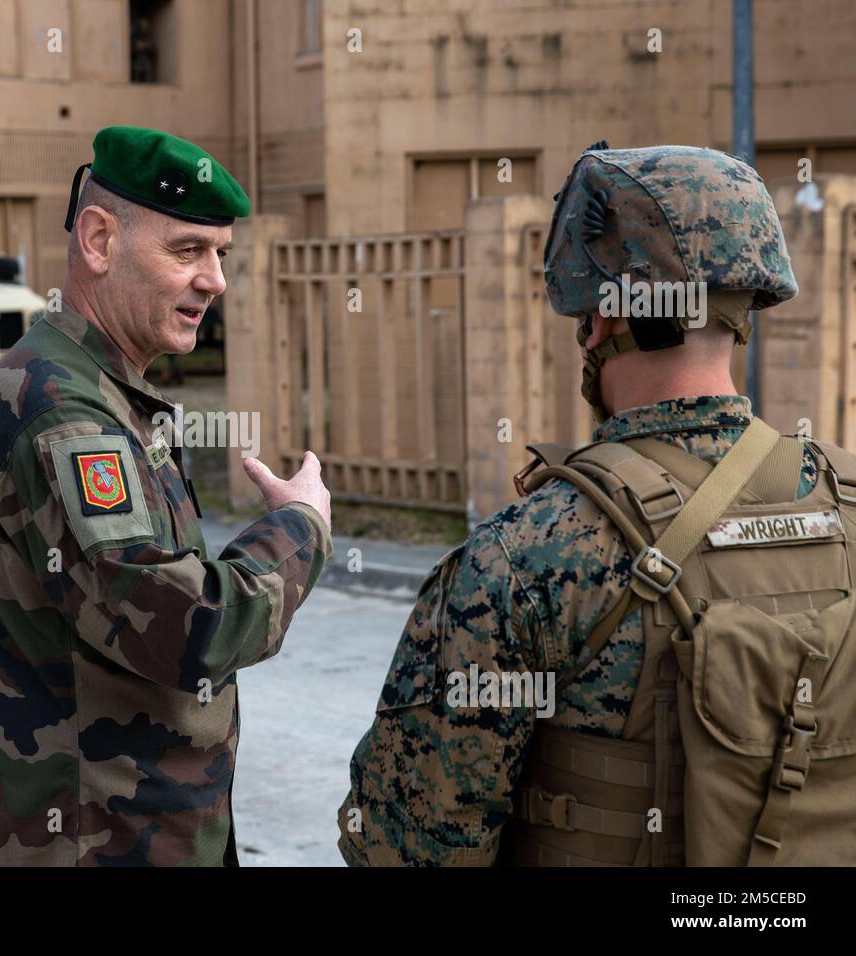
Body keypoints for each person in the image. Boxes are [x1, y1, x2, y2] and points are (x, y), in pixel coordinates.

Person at [339, 144, 856, 866]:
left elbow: (405, 844)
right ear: (743, 311)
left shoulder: (525, 557)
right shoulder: (847, 504)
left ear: (602, 322)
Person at [0, 126, 332, 866]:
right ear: (98, 241)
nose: (216, 278)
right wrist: (299, 529)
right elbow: (188, 629)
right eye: (188, 250)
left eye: (220, 253)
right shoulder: (62, 411)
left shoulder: (102, 391)